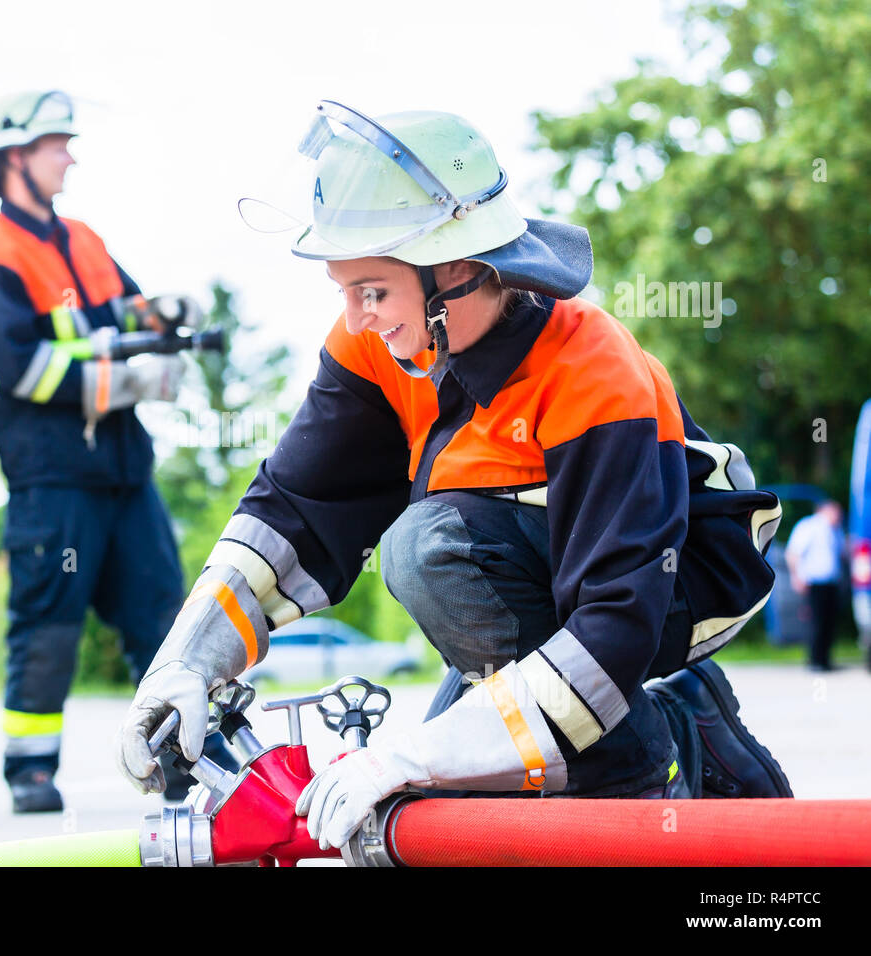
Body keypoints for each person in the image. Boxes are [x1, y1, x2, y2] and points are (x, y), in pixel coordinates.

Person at [117, 102, 794, 849]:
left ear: (459, 269)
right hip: (552, 590)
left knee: (426, 549)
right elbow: (295, 512)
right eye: (344, 289)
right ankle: (652, 728)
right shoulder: (375, 342)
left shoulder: (592, 372)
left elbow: (612, 624)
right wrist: (187, 663)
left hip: (670, 584)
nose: (355, 315)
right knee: (424, 827)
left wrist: (414, 756)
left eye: (371, 288)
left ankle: (646, 751)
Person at [0, 90, 233, 812]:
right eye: (58, 144)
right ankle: (29, 772)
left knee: (163, 618)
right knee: (49, 623)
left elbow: (128, 312)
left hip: (122, 472)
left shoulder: (81, 239)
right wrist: (121, 381)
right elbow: (22, 368)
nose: (70, 156)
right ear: (16, 158)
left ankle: (185, 760)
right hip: (52, 478)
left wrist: (165, 316)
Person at [786, 500, 846, 670]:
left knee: (829, 622)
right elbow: (793, 553)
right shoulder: (809, 526)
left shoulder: (836, 530)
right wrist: (797, 576)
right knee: (816, 622)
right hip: (814, 582)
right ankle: (814, 660)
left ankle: (825, 659)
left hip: (832, 582)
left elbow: (842, 553)